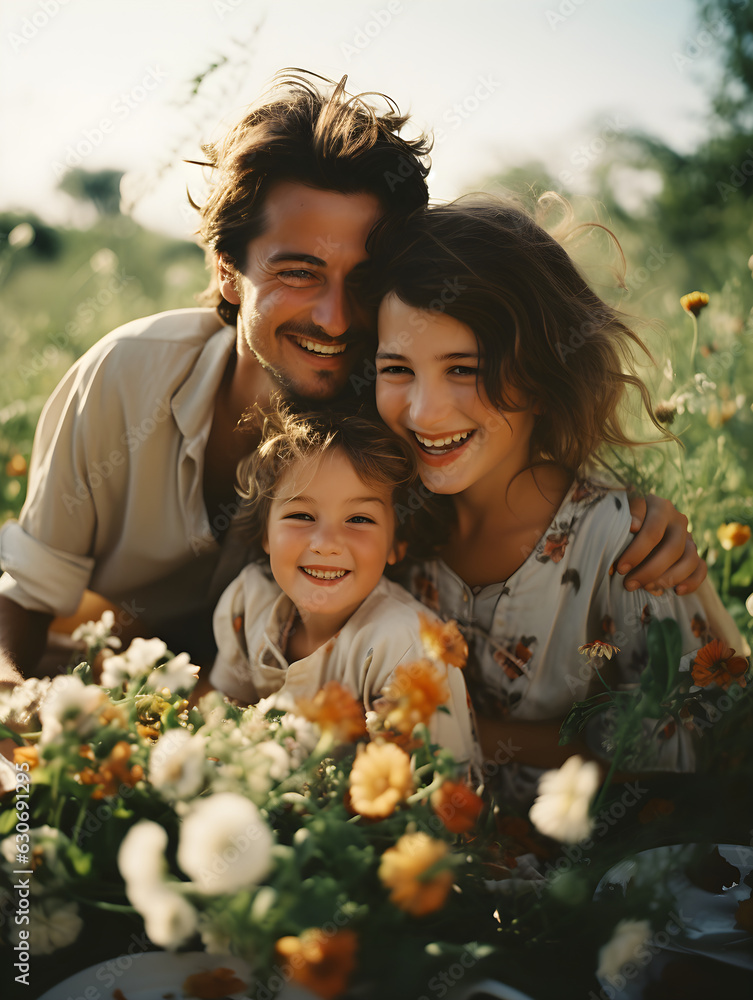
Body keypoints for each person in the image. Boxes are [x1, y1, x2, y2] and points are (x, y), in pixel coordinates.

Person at [0, 71, 702, 690]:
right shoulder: (123, 378)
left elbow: (509, 452)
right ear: (225, 270)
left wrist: (637, 522)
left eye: (363, 281)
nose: (336, 319)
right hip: (123, 682)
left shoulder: (402, 410)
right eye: (298, 272)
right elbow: (23, 596)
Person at [371, 196, 746, 794]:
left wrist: (464, 732)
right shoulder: (385, 525)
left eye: (464, 369)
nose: (424, 410)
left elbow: (687, 741)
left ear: (543, 382)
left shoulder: (624, 546)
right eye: (396, 369)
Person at [209, 404, 475, 763]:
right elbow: (223, 713)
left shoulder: (403, 647)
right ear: (266, 534)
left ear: (396, 544)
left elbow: (426, 791)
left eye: (359, 519)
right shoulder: (249, 599)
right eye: (301, 515)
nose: (327, 543)